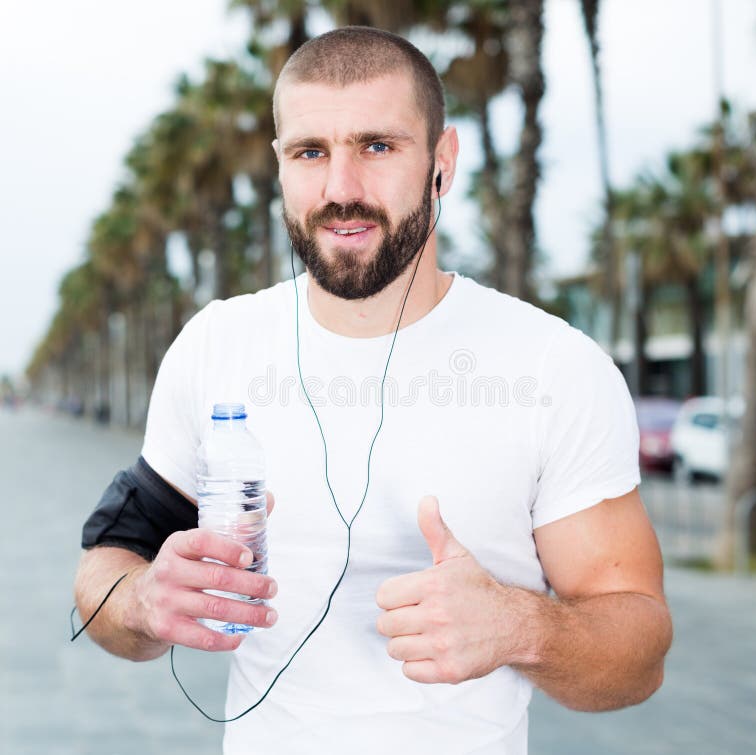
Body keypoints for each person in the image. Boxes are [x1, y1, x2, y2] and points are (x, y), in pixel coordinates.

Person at [74, 26, 672, 754]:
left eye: (377, 146)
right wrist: (143, 601)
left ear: (442, 162)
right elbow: (106, 563)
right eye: (310, 152)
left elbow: (639, 650)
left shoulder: (554, 366)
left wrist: (523, 627)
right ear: (280, 164)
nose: (340, 190)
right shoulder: (216, 344)